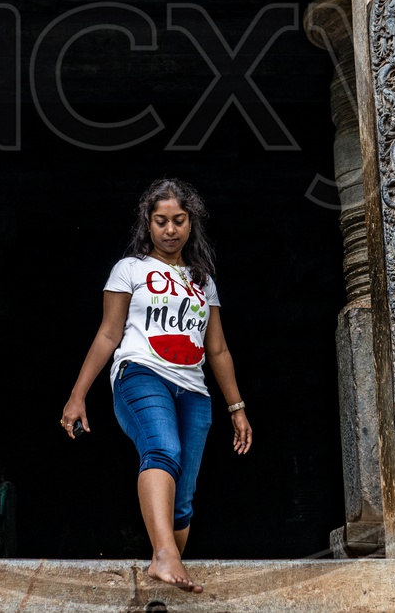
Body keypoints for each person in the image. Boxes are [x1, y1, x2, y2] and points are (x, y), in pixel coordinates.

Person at [61, 179, 253, 592]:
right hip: (139, 372)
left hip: (195, 391)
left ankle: (166, 565)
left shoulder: (203, 280)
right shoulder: (130, 269)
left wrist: (236, 407)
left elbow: (217, 349)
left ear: (191, 223)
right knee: (163, 449)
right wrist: (78, 396)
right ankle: (165, 556)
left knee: (183, 500)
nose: (170, 230)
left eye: (179, 221)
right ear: (147, 224)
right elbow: (108, 335)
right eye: (161, 221)